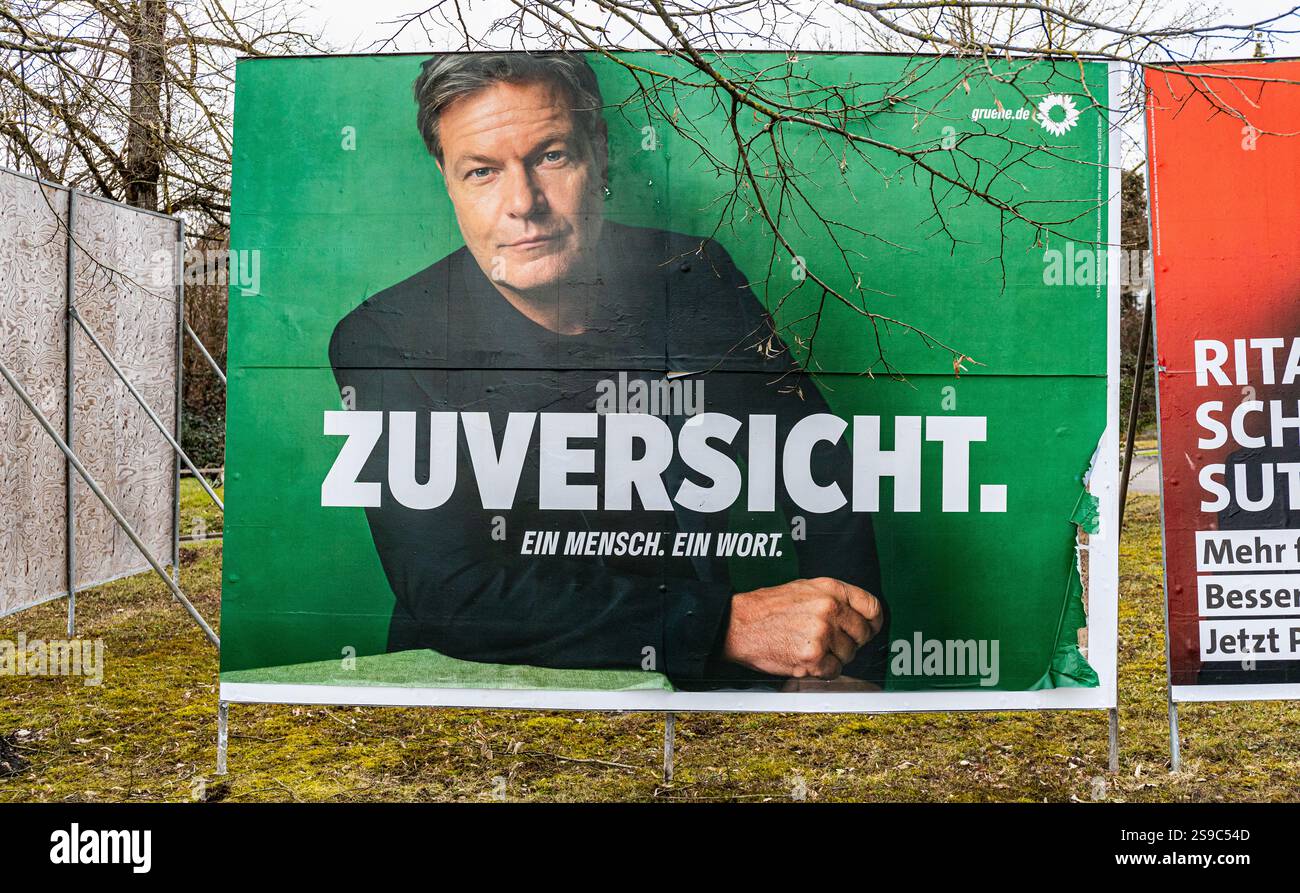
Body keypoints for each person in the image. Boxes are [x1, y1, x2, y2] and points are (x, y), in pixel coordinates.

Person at [329, 52, 888, 691]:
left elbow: (821, 471)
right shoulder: (383, 337)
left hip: (695, 679)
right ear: (447, 178)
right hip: (481, 695)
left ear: (600, 151)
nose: (523, 204)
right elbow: (451, 593)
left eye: (550, 156)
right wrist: (725, 626)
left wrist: (849, 662)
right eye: (482, 171)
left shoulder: (693, 274)